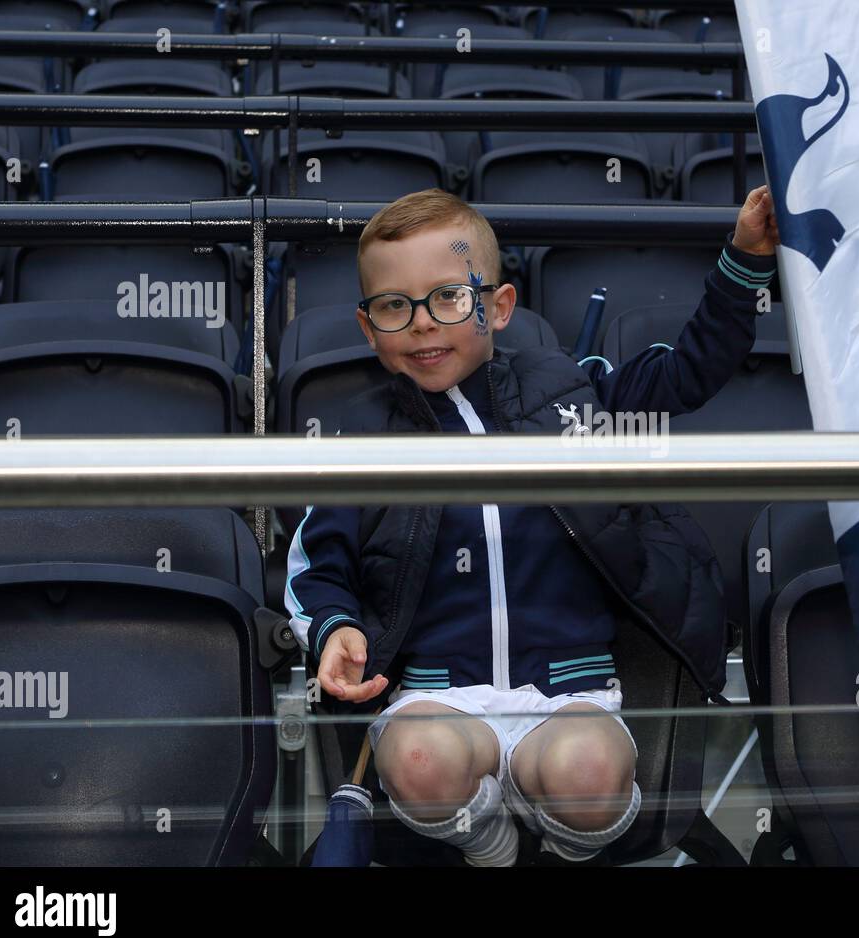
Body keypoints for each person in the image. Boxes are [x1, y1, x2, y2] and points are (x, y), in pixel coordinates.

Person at [286, 185, 780, 866]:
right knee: (420, 759)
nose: (423, 324)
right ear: (369, 328)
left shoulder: (570, 392)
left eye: (450, 298)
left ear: (498, 306)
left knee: (591, 777)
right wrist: (336, 627)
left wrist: (746, 261)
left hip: (570, 693)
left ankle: (560, 855)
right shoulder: (363, 439)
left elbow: (687, 373)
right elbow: (317, 564)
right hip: (439, 694)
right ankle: (488, 845)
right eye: (395, 306)